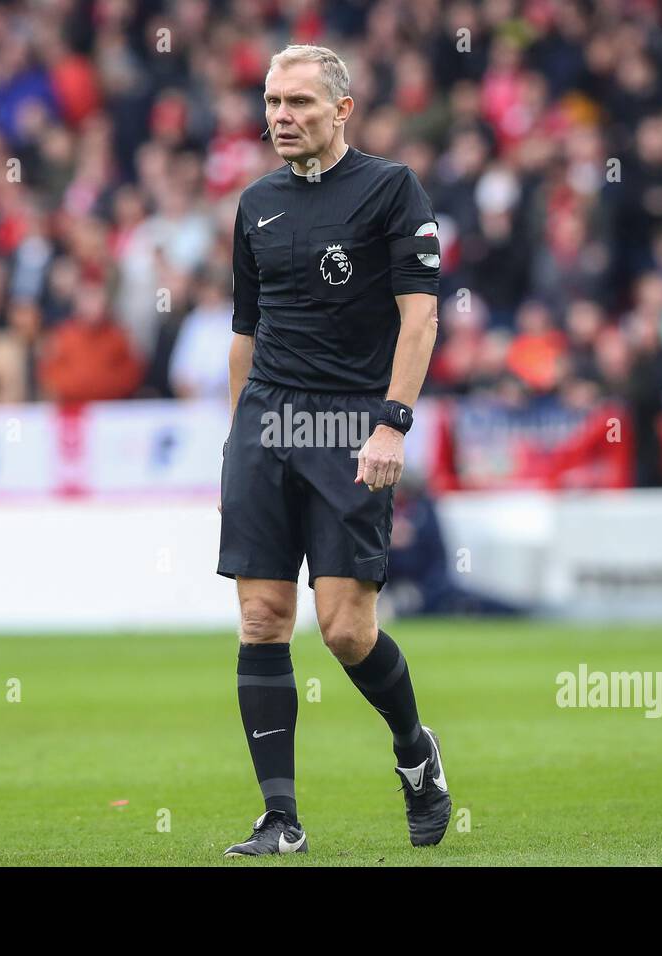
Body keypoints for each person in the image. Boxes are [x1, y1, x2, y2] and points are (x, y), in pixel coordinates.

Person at [217, 44, 449, 857]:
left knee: (345, 630)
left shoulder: (391, 190)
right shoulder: (255, 204)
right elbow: (245, 330)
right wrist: (237, 433)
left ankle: (416, 752)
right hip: (268, 423)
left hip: (351, 423)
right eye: (273, 103)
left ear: (342, 109)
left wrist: (393, 422)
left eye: (301, 103)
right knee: (261, 617)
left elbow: (419, 318)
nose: (282, 117)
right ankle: (280, 818)